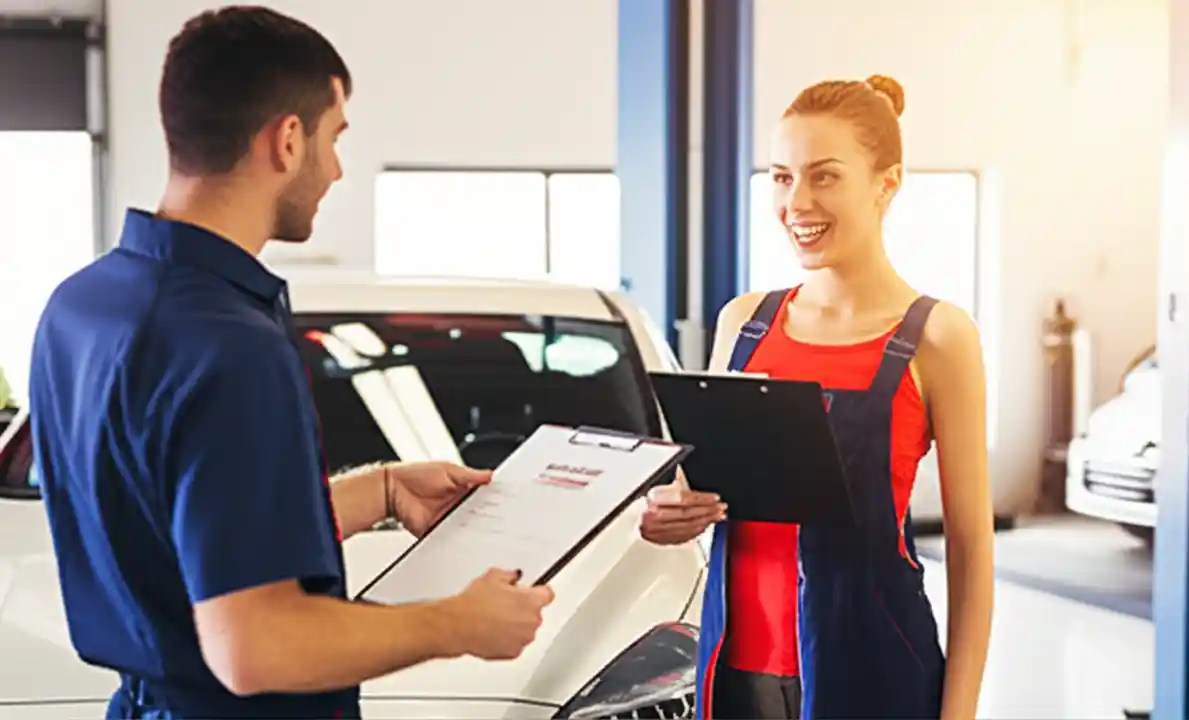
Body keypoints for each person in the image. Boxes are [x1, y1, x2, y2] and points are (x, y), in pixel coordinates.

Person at [27, 7, 553, 719]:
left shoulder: (82, 307)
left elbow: (184, 534)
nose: (336, 169)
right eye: (335, 139)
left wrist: (385, 488)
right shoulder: (228, 346)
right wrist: (460, 622)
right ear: (288, 138)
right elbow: (255, 646)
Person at [641, 75, 994, 719]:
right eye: (781, 177)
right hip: (735, 674)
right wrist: (667, 511)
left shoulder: (938, 337)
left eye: (824, 176)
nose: (796, 202)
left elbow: (972, 551)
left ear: (887, 183)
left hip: (876, 673)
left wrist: (959, 713)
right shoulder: (744, 325)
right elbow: (700, 491)